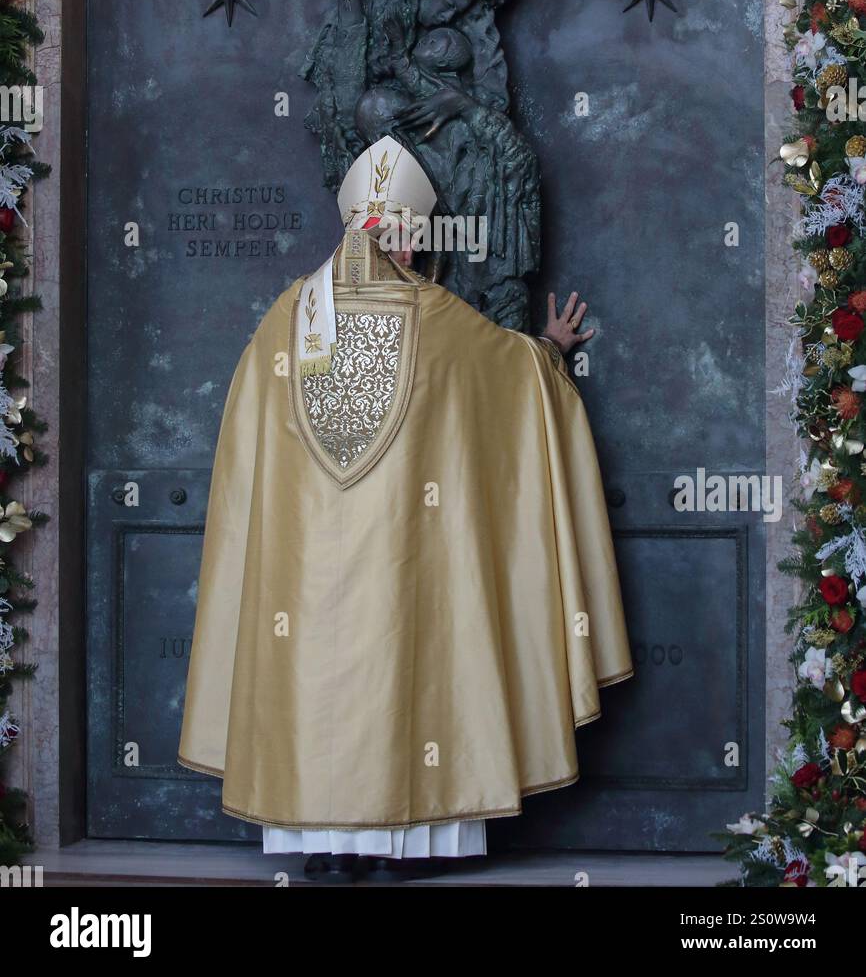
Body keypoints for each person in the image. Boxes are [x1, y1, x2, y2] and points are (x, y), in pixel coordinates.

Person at [178, 136, 632, 883]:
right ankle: (406, 847)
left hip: (304, 577)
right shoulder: (446, 325)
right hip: (409, 566)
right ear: (414, 244)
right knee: (413, 666)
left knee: (311, 677)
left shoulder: (285, 318)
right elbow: (517, 385)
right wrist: (549, 352)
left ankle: (318, 839)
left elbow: (245, 463)